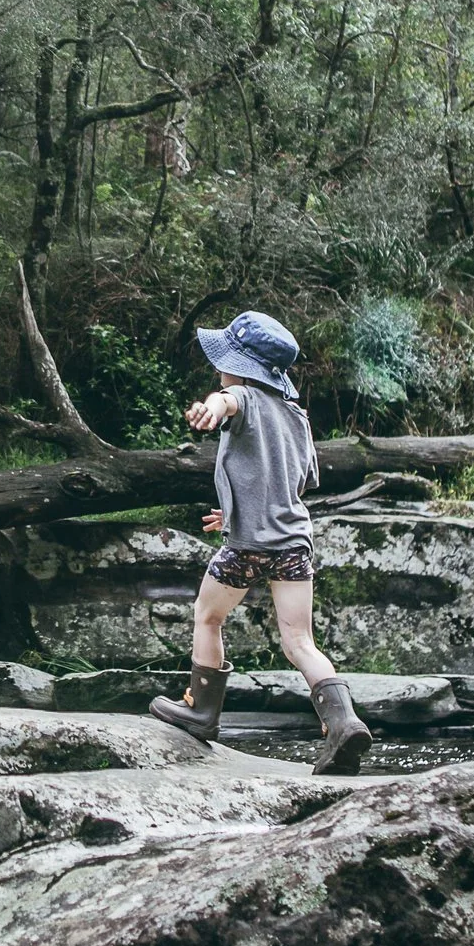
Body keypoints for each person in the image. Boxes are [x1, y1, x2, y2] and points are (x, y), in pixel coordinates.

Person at [148, 311, 374, 775]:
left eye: (225, 362)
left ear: (242, 367)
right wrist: (236, 509)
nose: (220, 369)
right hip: (295, 541)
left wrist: (212, 407)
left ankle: (202, 709)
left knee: (207, 616)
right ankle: (344, 723)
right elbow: (298, 480)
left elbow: (227, 401)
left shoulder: (241, 396)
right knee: (299, 641)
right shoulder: (297, 415)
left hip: (250, 546)